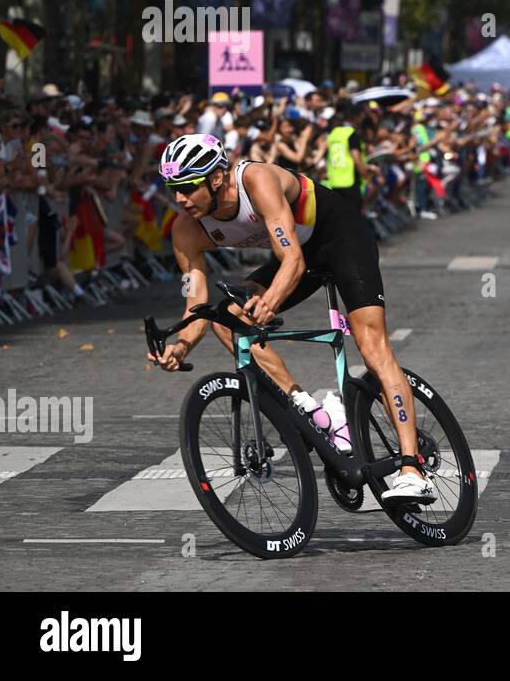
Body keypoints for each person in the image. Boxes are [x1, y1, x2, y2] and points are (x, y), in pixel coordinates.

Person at [146, 133, 436, 504]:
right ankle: (310, 409)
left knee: (371, 346)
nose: (180, 199)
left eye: (187, 188)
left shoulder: (257, 181)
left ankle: (412, 468)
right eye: (174, 189)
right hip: (295, 257)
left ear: (215, 178)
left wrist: (270, 302)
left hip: (339, 241)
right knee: (226, 318)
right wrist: (181, 345)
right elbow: (196, 300)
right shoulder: (186, 228)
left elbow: (294, 261)